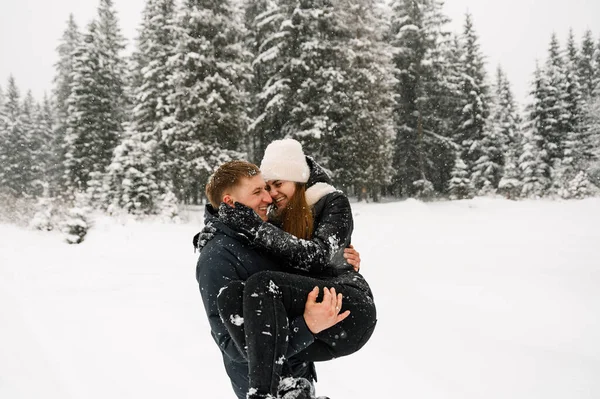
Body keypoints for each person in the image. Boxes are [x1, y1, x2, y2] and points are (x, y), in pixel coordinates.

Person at [212, 139, 377, 399]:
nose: (272, 193)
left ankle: (262, 393)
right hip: (316, 321)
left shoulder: (332, 203)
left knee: (263, 285)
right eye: (267, 187)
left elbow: (319, 257)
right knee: (231, 295)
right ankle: (286, 387)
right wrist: (217, 226)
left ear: (298, 180)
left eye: (278, 184)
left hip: (350, 306)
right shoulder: (278, 217)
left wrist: (255, 227)